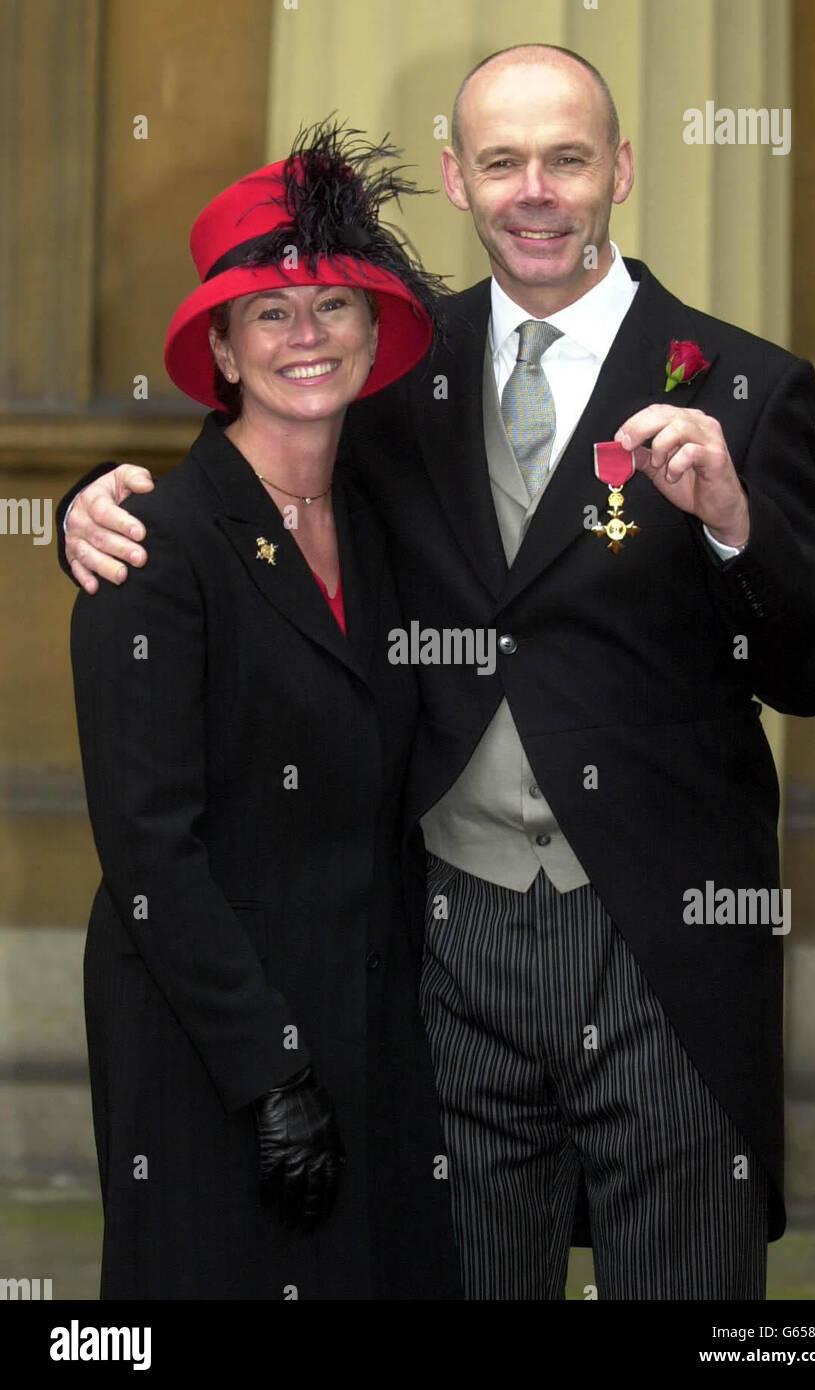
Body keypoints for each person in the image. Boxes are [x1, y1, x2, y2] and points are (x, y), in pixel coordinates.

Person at [60, 47, 815, 1301]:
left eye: (565, 158)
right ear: (456, 179)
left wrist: (730, 526)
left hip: (662, 942)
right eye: (501, 162)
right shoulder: (387, 364)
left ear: (620, 170)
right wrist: (93, 507)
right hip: (441, 945)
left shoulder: (743, 384)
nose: (533, 190)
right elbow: (255, 459)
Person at [65, 120, 462, 1300]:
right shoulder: (154, 544)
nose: (306, 335)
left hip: (371, 1019)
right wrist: (268, 1074)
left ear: (371, 331)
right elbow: (149, 847)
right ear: (224, 353)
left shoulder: (388, 522)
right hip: (206, 1039)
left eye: (332, 305)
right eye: (271, 314)